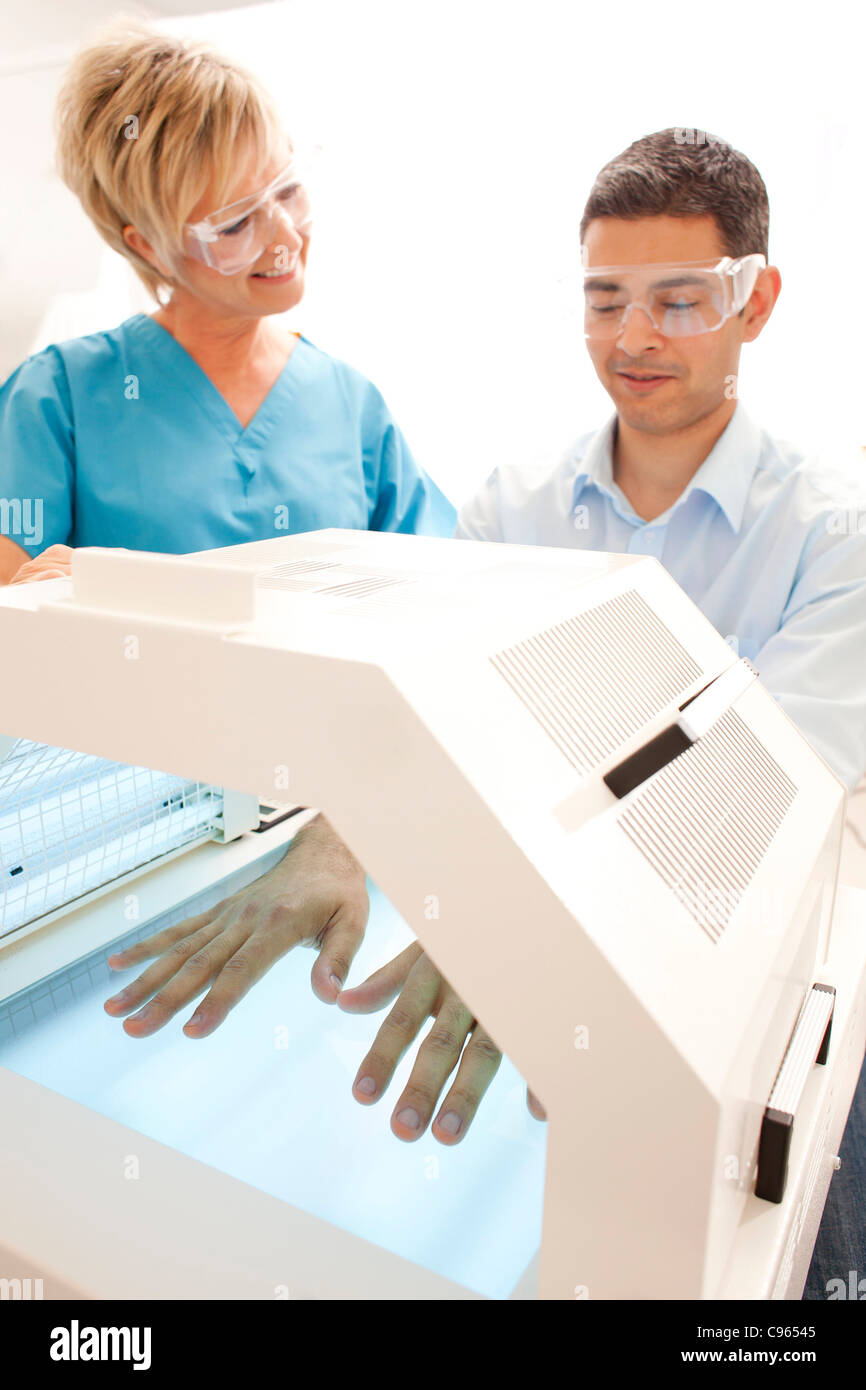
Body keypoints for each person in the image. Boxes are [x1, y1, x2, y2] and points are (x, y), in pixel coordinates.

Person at [16, 128, 866, 1285]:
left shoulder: (830, 540)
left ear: (753, 300)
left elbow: (767, 814)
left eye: (678, 301)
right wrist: (341, 837)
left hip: (751, 1006)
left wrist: (532, 944)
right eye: (604, 298)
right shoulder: (513, 507)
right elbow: (431, 720)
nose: (631, 338)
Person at [0, 21, 455, 591]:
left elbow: (437, 600)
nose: (285, 235)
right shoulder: (57, 400)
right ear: (149, 245)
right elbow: (16, 622)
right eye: (237, 223)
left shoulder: (351, 406)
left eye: (288, 190)